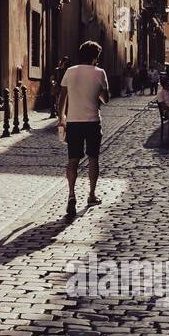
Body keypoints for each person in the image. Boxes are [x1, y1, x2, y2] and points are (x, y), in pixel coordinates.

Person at [56, 40, 110, 219]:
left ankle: (71, 194)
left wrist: (61, 118)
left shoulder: (69, 72)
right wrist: (98, 90)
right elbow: (106, 99)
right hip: (93, 121)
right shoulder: (100, 73)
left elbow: (62, 98)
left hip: (74, 121)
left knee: (73, 160)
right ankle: (92, 195)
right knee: (93, 158)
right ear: (96, 57)